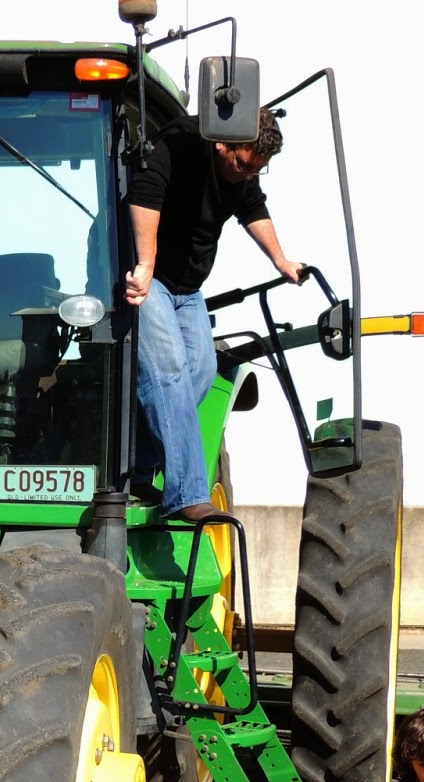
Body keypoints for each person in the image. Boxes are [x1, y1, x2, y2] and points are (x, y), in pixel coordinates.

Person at [123, 109, 304, 521]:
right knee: (167, 372)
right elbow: (144, 194)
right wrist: (146, 264)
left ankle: (136, 470)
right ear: (222, 143)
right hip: (148, 279)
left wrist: (281, 260)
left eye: (258, 169)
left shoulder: (242, 172)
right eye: (243, 165)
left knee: (201, 372)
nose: (247, 175)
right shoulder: (180, 143)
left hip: (187, 289)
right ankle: (187, 496)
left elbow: (252, 208)